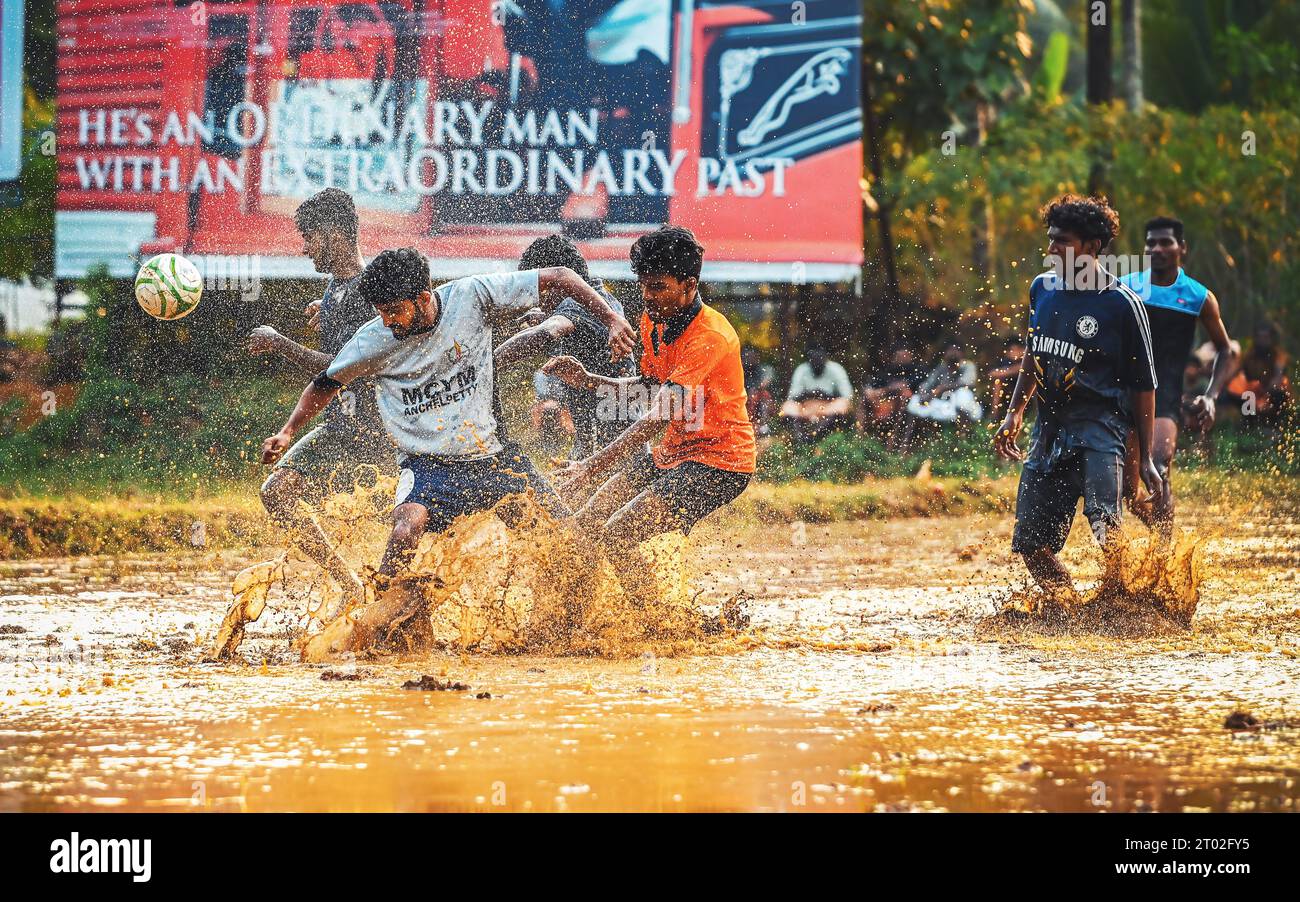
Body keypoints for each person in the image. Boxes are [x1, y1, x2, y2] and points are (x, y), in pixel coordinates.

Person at [261, 248, 636, 600]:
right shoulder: (373, 338)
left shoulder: (472, 295)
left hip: (496, 459)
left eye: (394, 310)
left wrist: (613, 318)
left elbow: (560, 275)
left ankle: (578, 621)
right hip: (428, 468)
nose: (388, 321)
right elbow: (325, 383)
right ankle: (378, 614)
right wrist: (288, 430)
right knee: (405, 528)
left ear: (423, 297)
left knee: (564, 543)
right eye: (381, 312)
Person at [541, 226, 756, 604]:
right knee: (584, 524)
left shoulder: (711, 335)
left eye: (657, 286)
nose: (647, 295)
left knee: (618, 534)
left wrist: (592, 465)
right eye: (643, 285)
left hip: (719, 464)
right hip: (673, 454)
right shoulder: (652, 318)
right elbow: (649, 388)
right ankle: (565, 620)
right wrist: (590, 381)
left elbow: (660, 414)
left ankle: (661, 624)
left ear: (689, 285)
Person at [993, 194, 1167, 603]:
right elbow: (1034, 356)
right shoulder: (1042, 289)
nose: (1051, 249)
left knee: (1108, 530)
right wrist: (1014, 412)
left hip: (1100, 430)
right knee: (1031, 544)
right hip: (1048, 431)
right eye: (1050, 239)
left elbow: (1144, 387)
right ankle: (1068, 608)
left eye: (1063, 242)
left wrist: (1145, 460)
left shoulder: (1123, 305)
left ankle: (1135, 608)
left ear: (1092, 247)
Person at [246, 188, 396, 614]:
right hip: (342, 430)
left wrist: (281, 344)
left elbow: (346, 368)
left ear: (334, 234)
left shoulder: (373, 291)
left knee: (405, 529)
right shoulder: (335, 290)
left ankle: (397, 607)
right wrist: (326, 311)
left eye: (310, 237)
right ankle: (349, 584)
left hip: (384, 435)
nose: (305, 248)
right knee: (277, 492)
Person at [1118, 216, 1237, 538]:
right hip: (1122, 397)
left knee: (1158, 467)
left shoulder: (1198, 296)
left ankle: (1166, 556)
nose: (1157, 248)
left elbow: (1227, 350)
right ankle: (1164, 531)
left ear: (1181, 248)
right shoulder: (1126, 287)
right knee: (1129, 493)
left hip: (1165, 398)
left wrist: (1211, 396)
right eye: (1151, 243)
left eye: (1165, 242)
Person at [494, 234, 637, 460]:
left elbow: (545, 333)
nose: (535, 300)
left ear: (553, 284)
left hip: (614, 456)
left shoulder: (577, 306)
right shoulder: (602, 299)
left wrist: (490, 364)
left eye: (536, 291)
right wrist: (546, 315)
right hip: (607, 445)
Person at [778, 344, 854, 444]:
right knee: (787, 407)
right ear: (809, 359)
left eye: (819, 359)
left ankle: (816, 435)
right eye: (814, 359)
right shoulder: (802, 370)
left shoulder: (836, 369)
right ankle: (800, 437)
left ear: (826, 358)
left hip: (827, 407)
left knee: (842, 404)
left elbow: (847, 395)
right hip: (805, 407)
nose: (817, 362)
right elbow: (792, 397)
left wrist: (825, 395)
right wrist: (810, 395)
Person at [1224, 323, 1291, 427]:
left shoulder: (1278, 355)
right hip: (1252, 394)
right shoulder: (1249, 355)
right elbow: (1235, 375)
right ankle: (1251, 425)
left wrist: (1264, 397)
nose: (1262, 340)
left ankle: (1275, 425)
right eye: (1259, 337)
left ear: (1271, 339)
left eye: (1265, 337)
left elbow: (1279, 376)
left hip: (1271, 392)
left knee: (1279, 390)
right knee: (1240, 392)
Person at [906, 343, 984, 424]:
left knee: (963, 393)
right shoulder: (942, 367)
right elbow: (927, 384)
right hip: (943, 404)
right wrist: (924, 394)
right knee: (915, 400)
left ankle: (963, 432)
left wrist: (942, 388)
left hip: (965, 406)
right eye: (950, 350)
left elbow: (967, 383)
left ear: (962, 353)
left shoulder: (968, 365)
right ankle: (908, 435)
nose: (953, 353)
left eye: (956, 350)